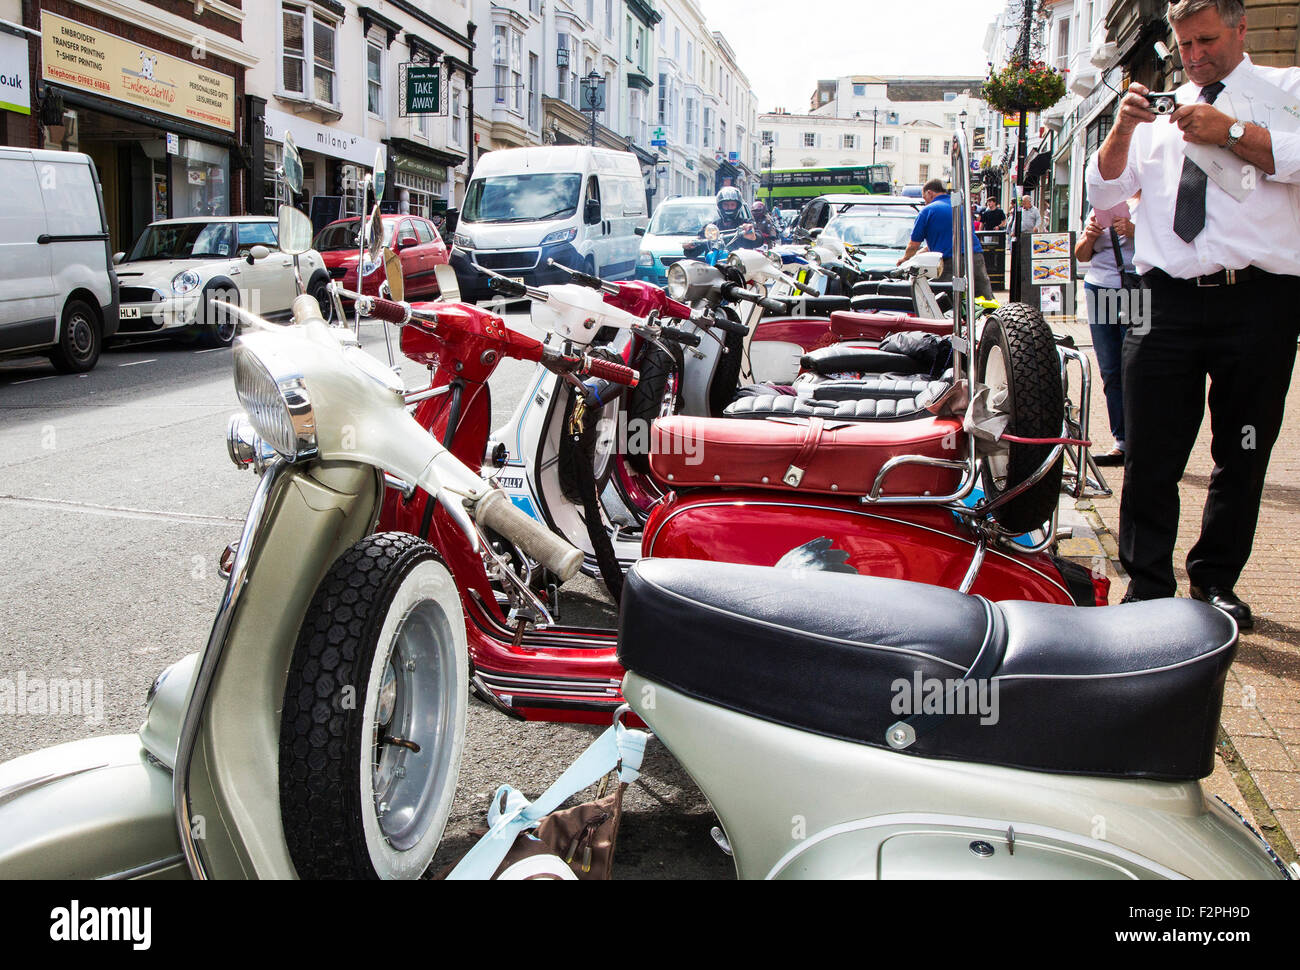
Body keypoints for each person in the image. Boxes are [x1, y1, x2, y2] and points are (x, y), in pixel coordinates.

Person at [1085, 0, 1300, 626]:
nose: (1196, 56)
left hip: (1260, 297)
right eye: (1184, 47)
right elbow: (1106, 196)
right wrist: (1122, 132)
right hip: (1164, 300)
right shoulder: (1159, 112)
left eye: (1207, 40)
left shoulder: (1285, 89)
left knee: (1243, 449)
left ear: (1240, 28)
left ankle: (1213, 583)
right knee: (1150, 451)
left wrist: (1229, 132)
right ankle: (1147, 588)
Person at [1074, 196, 1139, 467]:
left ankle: (1145, 440)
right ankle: (1122, 442)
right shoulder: (1100, 206)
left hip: (1138, 290)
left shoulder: (1149, 201)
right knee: (1111, 369)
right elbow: (1080, 255)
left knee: (1138, 367)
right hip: (1098, 288)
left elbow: (1172, 244)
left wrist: (1137, 231)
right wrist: (1089, 238)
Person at [896, 178, 994, 300]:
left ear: (929, 193)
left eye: (924, 197)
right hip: (974, 257)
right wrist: (917, 256)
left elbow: (913, 245)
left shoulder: (928, 210)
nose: (924, 201)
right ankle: (989, 317)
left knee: (948, 299)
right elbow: (942, 240)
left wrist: (905, 259)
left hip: (949, 262)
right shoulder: (960, 208)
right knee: (982, 296)